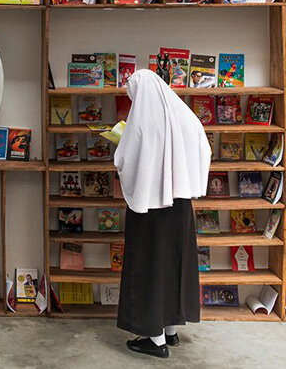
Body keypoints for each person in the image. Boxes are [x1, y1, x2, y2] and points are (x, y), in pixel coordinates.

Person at [114, 69, 211, 358]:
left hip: (150, 206)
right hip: (180, 204)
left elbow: (125, 158)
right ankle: (170, 330)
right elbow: (204, 149)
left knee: (149, 265)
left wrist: (117, 151)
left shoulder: (143, 119)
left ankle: (154, 340)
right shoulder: (183, 114)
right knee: (175, 263)